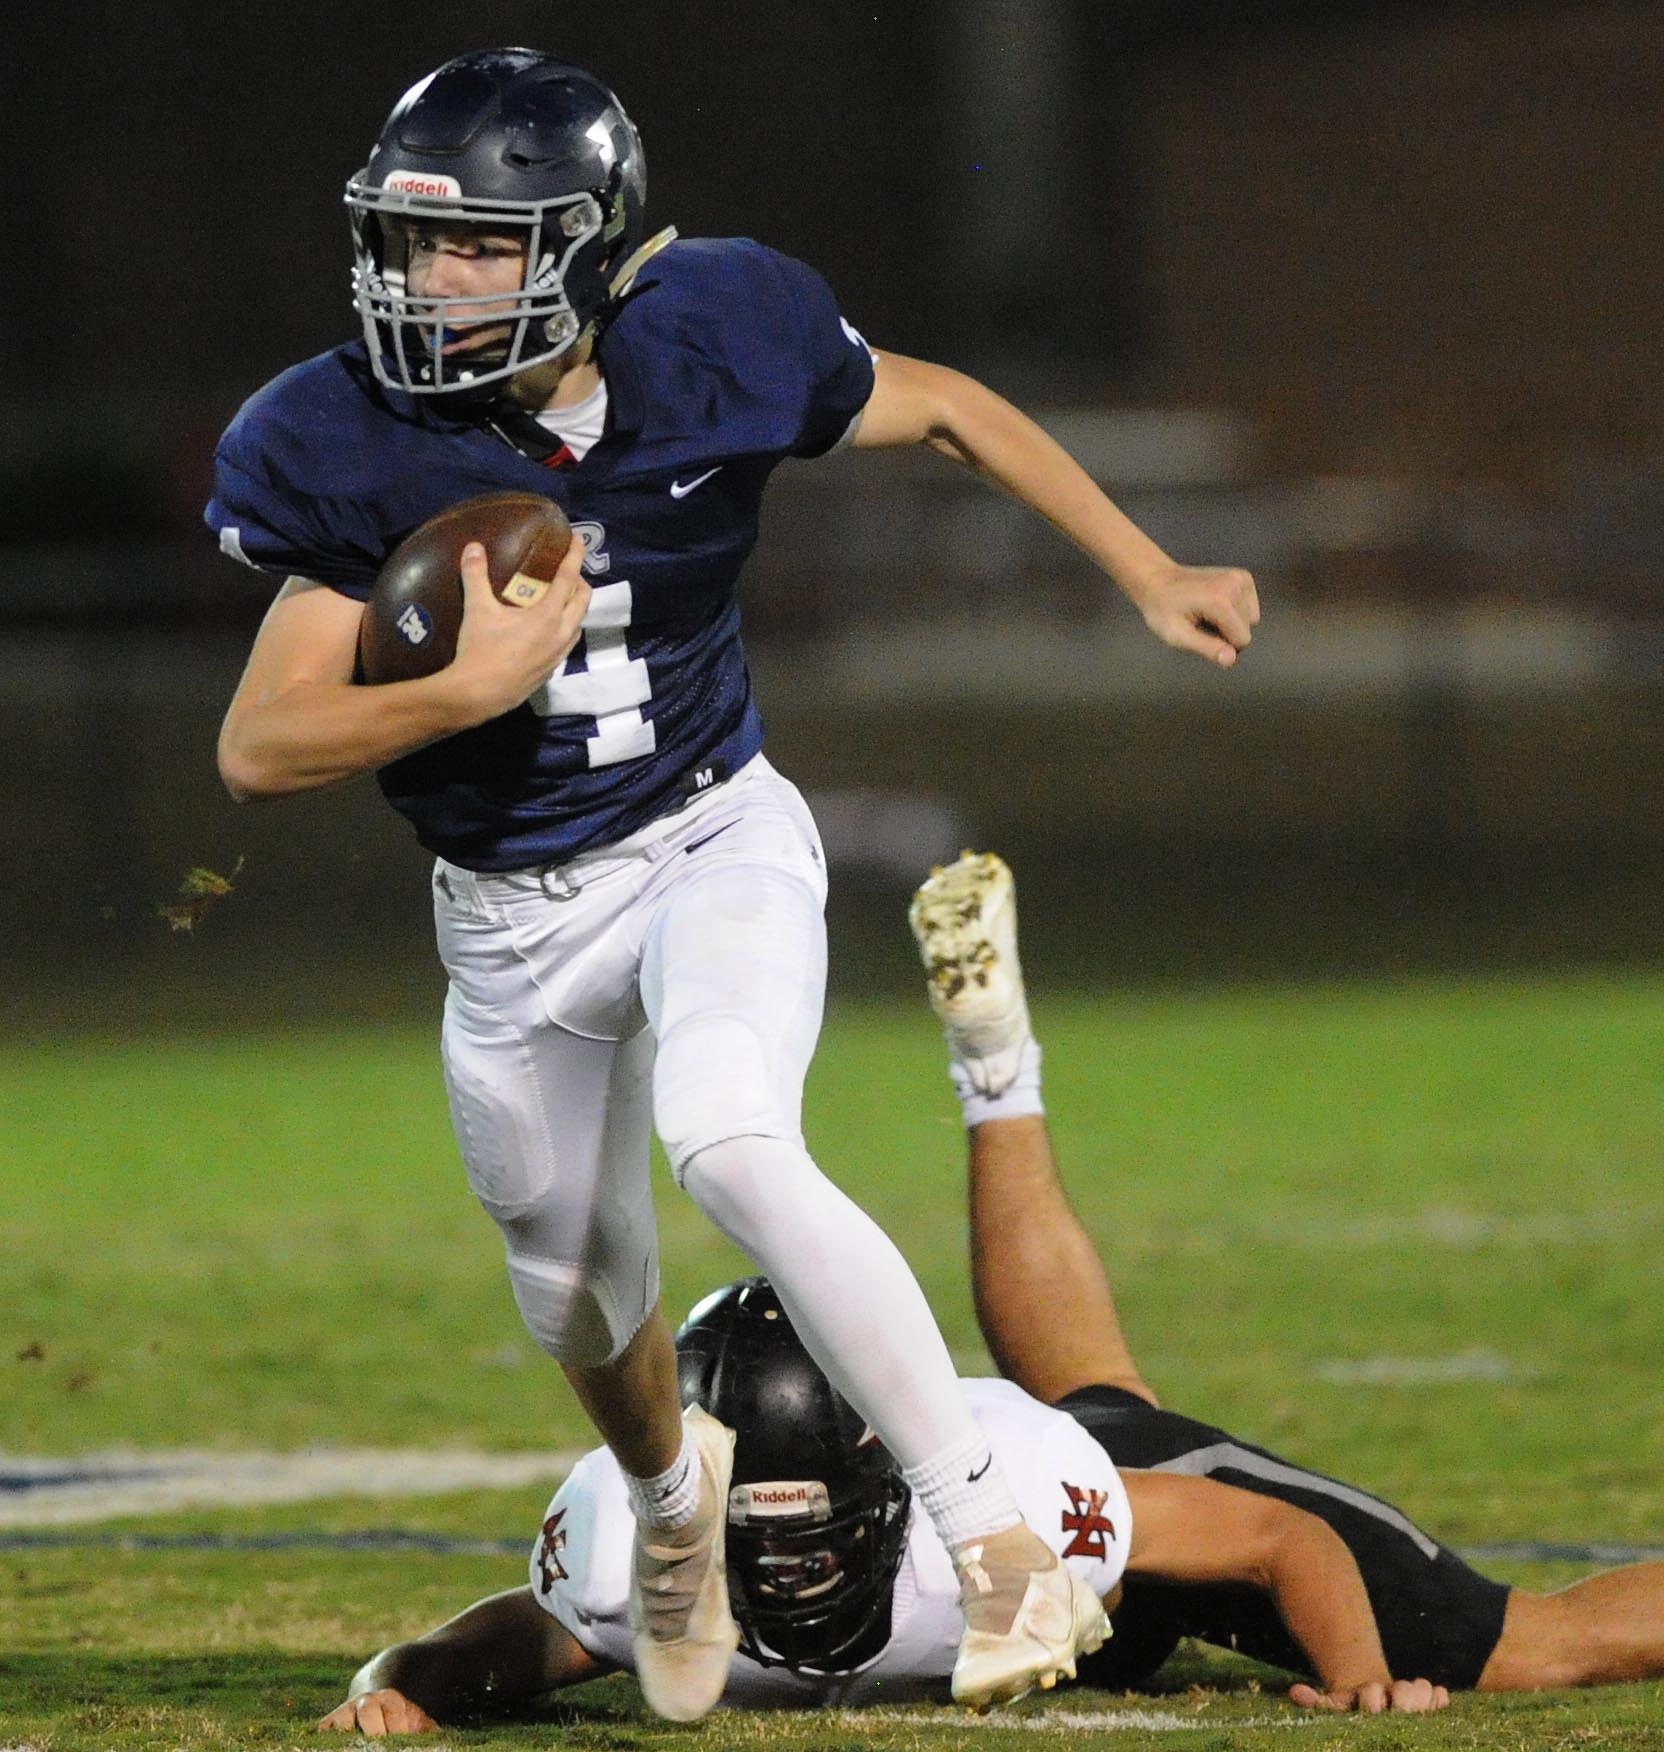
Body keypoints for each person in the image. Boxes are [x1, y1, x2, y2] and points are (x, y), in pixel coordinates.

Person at [205, 48, 1258, 1721]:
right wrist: (461, 697)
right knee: (574, 1287)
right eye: (415, 245)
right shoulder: (335, 433)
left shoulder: (721, 331)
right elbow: (262, 746)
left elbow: (954, 409)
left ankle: (994, 1537)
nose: (432, 281)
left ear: (589, 246)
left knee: (731, 1133)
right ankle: (668, 1506)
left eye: (480, 243)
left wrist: (1147, 568)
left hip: (714, 837)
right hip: (506, 920)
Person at [317, 854, 1664, 1734]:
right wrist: (404, 1674)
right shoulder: (641, 1550)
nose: (776, 1576)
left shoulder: (1010, 1517)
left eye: (800, 1529)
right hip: (1046, 1477)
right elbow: (514, 1641)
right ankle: (991, 1060)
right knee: (1086, 1377)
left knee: (1518, 1646)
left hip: (1100, 1524)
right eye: (744, 1541)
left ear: (885, 1490)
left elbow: (1276, 1551)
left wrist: (1368, 1679)